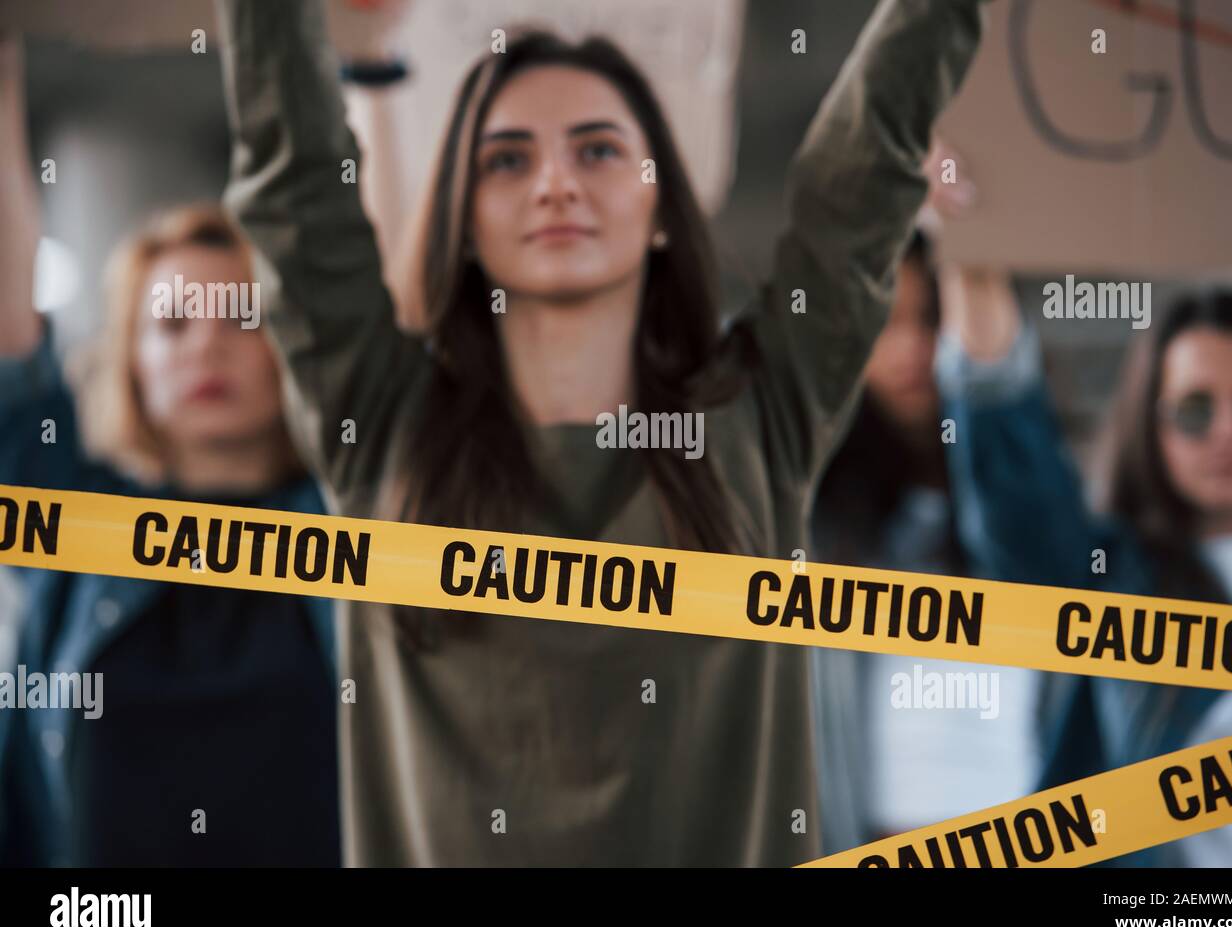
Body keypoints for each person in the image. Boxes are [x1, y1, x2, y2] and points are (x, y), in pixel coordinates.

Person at [215, 0, 987, 865]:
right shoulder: (382, 424)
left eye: (598, 149)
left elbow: (859, 181)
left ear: (664, 202)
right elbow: (293, 181)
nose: (554, 183)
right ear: (463, 220)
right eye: (507, 160)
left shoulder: (755, 418)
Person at [0, 34, 340, 867]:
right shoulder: (75, 514)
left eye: (242, 317)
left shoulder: (355, 518)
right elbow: (10, 335)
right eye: (173, 324)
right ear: (131, 359)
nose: (206, 349)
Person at [936, 267, 1232, 866]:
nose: (1231, 432)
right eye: (1194, 409)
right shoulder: (1102, 578)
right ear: (1150, 424)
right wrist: (973, 265)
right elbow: (1017, 494)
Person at [809, 231, 1040, 855]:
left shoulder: (1032, 506)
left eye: (933, 318)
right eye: (883, 321)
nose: (910, 346)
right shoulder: (816, 514)